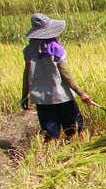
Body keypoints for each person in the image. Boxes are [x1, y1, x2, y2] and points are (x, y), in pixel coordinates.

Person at [20, 13, 93, 141]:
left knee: (50, 133)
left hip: (43, 99)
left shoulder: (29, 51)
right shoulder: (55, 49)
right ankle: (74, 151)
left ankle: (50, 155)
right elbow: (66, 75)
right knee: (74, 129)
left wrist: (25, 96)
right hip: (62, 96)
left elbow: (26, 75)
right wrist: (81, 93)